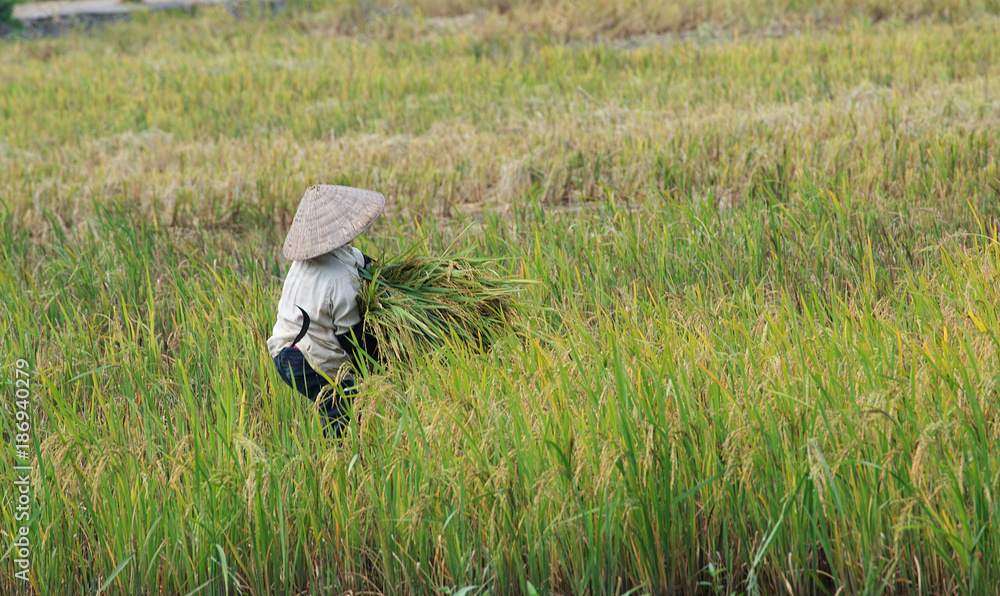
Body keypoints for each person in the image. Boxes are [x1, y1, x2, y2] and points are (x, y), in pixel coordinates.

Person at [267, 185, 383, 438]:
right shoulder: (340, 281)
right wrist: (379, 366)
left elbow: (362, 261)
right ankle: (339, 463)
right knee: (341, 408)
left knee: (352, 403)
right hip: (302, 359)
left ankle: (355, 447)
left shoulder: (314, 257)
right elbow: (352, 338)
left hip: (285, 345)